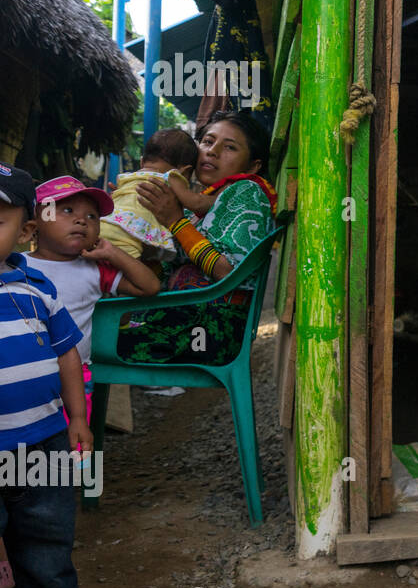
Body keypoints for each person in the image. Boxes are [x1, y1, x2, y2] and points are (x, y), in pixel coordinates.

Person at [0, 163, 100, 588]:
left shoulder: (36, 285)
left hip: (45, 437)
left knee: (46, 537)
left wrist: (78, 419)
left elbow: (67, 355)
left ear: (25, 231)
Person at [116, 111, 276, 365]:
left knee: (88, 339)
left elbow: (227, 272)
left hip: (209, 327)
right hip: (177, 317)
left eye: (230, 147)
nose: (212, 151)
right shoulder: (193, 210)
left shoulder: (247, 191)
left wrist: (175, 222)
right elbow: (165, 265)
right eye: (207, 142)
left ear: (253, 166)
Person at [27, 176, 161, 421]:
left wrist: (113, 252)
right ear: (36, 222)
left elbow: (150, 286)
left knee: (73, 445)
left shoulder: (96, 269)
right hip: (22, 374)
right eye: (67, 210)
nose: (82, 220)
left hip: (75, 378)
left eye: (92, 217)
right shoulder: (16, 265)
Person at [99, 128, 203, 261]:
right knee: (150, 281)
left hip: (103, 226)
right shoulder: (172, 177)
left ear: (142, 162)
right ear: (185, 171)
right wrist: (215, 199)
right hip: (128, 243)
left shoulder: (127, 178)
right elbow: (195, 203)